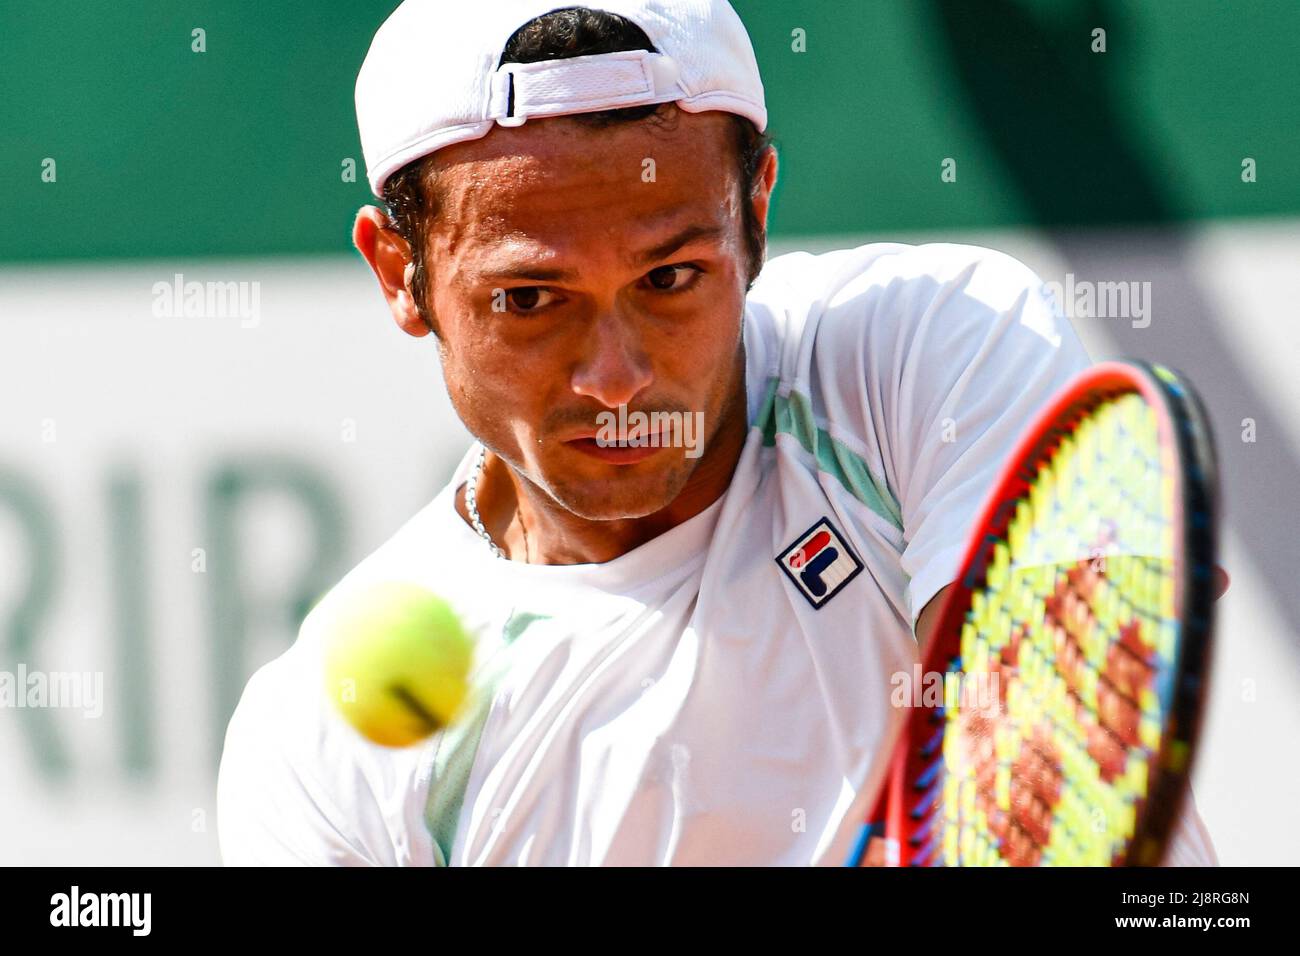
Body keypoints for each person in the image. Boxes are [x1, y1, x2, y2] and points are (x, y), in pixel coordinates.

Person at [217, 0, 1217, 866]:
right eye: (530, 298)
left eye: (668, 278)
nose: (615, 378)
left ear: (755, 214)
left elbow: (1032, 767)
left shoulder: (933, 345)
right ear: (400, 274)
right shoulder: (317, 747)